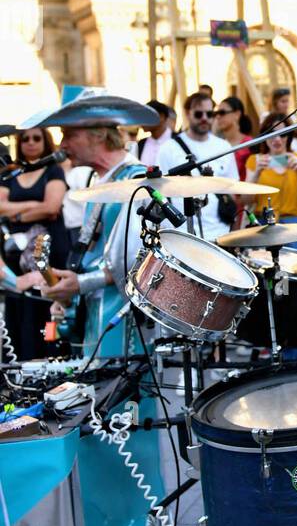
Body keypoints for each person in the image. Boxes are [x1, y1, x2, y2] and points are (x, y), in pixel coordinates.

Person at [15, 93, 160, 360]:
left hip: (123, 317)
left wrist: (81, 283)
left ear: (99, 135)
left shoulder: (135, 180)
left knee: (123, 396)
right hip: (98, 311)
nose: (63, 144)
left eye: (70, 135)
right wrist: (67, 290)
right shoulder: (99, 179)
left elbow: (138, 260)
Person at [1, 126, 68, 358]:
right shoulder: (12, 173)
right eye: (25, 139)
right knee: (17, 308)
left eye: (37, 138)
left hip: (47, 250)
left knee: (45, 307)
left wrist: (16, 213)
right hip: (14, 253)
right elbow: (1, 206)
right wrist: (33, 208)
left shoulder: (53, 170)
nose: (30, 142)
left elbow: (52, 207)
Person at [157, 91, 239, 243]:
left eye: (209, 114)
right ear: (188, 114)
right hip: (182, 234)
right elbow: (160, 191)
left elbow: (233, 190)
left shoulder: (223, 146)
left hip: (219, 233)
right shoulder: (168, 148)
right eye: (199, 114)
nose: (204, 119)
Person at [247, 111, 297, 248]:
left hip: (294, 226)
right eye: (272, 134)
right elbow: (245, 201)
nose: (277, 139)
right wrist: (256, 174)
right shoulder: (254, 160)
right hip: (264, 225)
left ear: (289, 136)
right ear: (264, 136)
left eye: (283, 133)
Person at [214, 95, 255, 197]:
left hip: (245, 205)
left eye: (222, 113)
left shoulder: (250, 143)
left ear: (237, 114)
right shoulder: (218, 145)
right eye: (216, 113)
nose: (218, 117)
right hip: (224, 205)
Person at [137, 100, 175, 165]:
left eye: (145, 116)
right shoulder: (141, 144)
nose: (142, 121)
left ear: (161, 117)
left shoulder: (178, 141)